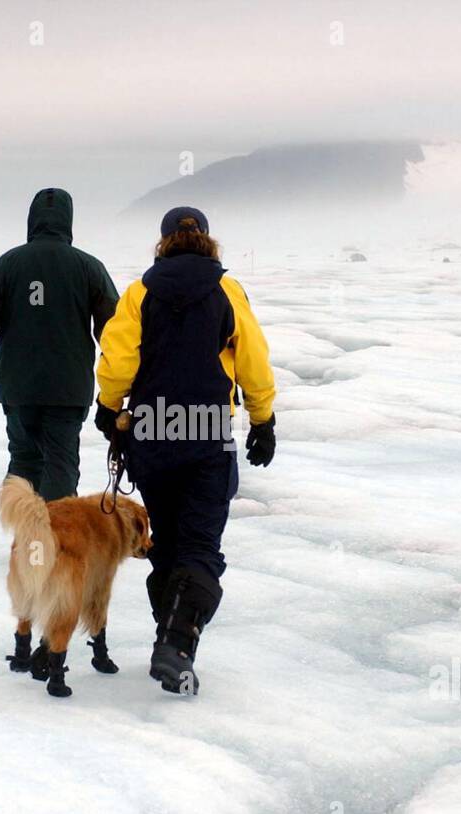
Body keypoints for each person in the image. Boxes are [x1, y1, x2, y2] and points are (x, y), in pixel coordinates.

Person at [95, 206, 276, 695]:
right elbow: (254, 358)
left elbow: (118, 358)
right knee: (199, 546)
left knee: (169, 547)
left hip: (150, 434)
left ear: (163, 241)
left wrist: (109, 406)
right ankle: (176, 645)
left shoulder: (140, 292)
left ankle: (170, 642)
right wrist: (262, 419)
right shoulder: (226, 290)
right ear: (207, 240)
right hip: (207, 433)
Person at [0, 187, 118, 500]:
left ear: (32, 220)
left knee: (23, 464)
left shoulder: (8, 265)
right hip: (68, 391)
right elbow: (114, 332)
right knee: (61, 466)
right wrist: (123, 384)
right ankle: (56, 542)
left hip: (19, 388)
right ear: (69, 221)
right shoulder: (89, 267)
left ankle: (27, 540)